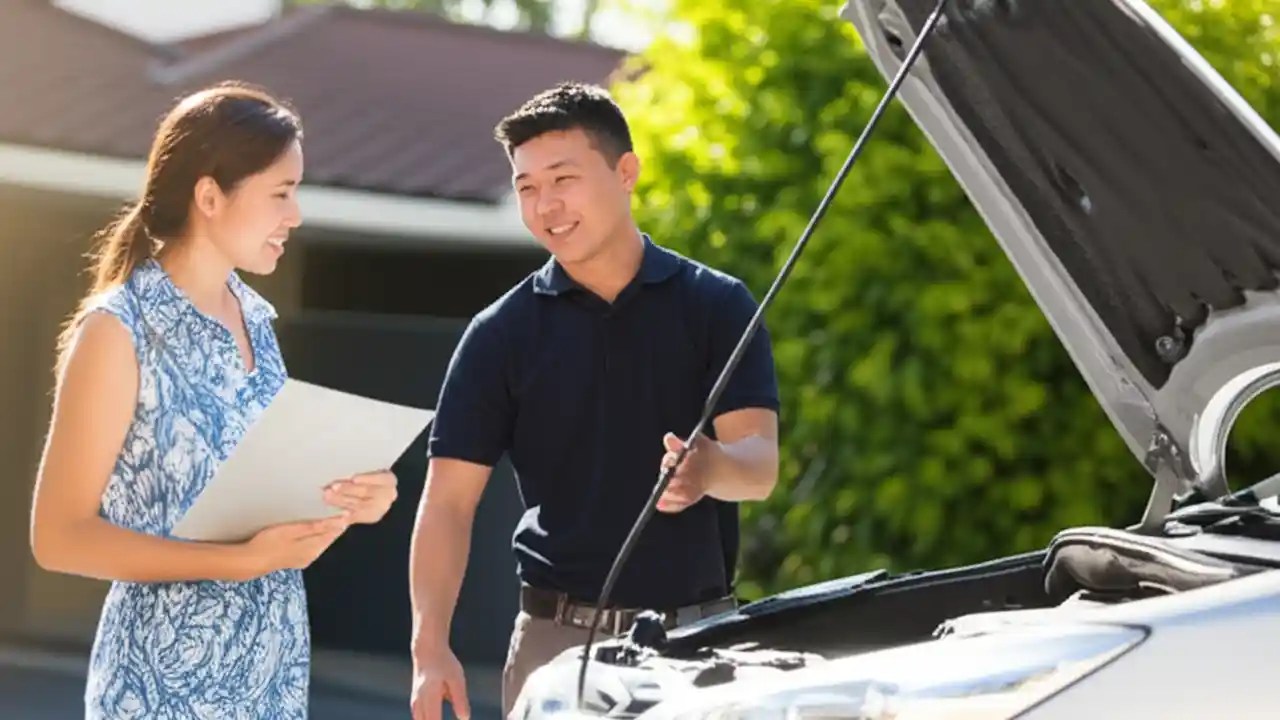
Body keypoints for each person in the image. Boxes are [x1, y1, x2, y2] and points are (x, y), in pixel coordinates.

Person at [408, 81, 781, 720]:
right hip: (555, 648)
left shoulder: (716, 305)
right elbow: (446, 503)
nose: (545, 205)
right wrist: (429, 647)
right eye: (527, 187)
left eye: (563, 179)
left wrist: (710, 469)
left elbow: (760, 464)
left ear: (626, 172)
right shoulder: (500, 333)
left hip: (701, 644)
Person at [28, 81, 399, 719]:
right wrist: (235, 564)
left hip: (272, 682)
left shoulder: (257, 321)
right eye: (281, 192)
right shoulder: (119, 331)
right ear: (209, 196)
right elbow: (58, 538)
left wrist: (356, 496)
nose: (297, 214)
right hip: (158, 693)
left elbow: (265, 502)